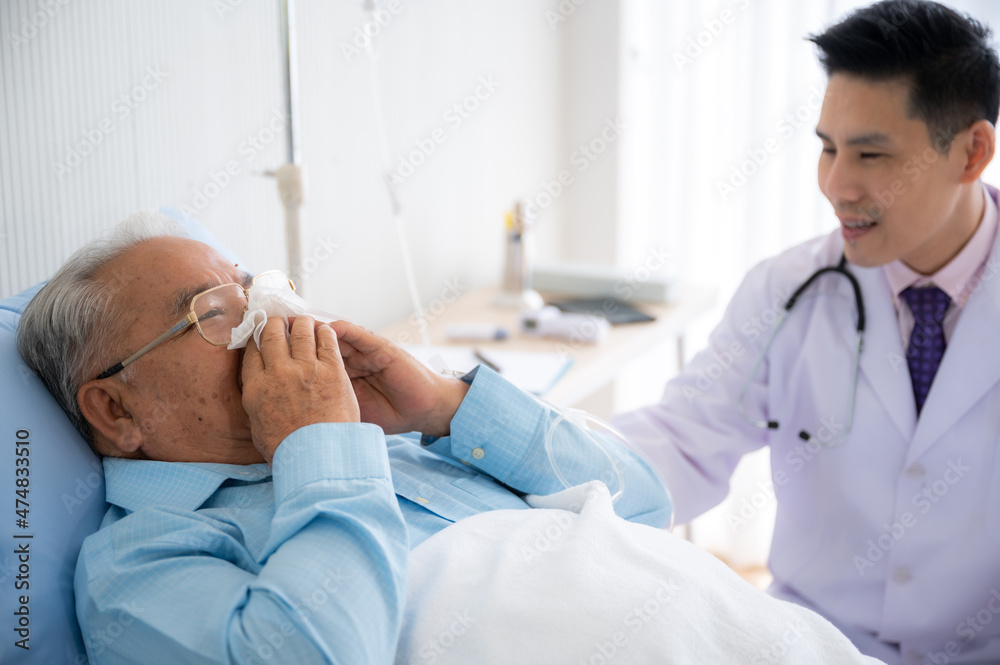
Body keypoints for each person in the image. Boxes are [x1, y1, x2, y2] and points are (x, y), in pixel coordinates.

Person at [16, 214, 671, 664]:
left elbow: (646, 504)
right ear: (115, 410)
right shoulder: (136, 566)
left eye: (253, 290)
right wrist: (319, 445)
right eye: (213, 312)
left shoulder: (390, 437)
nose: (267, 319)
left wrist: (444, 406)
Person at [612, 1, 1000, 663]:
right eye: (827, 148)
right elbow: (680, 440)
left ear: (972, 152)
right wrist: (519, 450)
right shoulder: (786, 289)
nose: (836, 185)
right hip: (809, 646)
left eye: (871, 154)